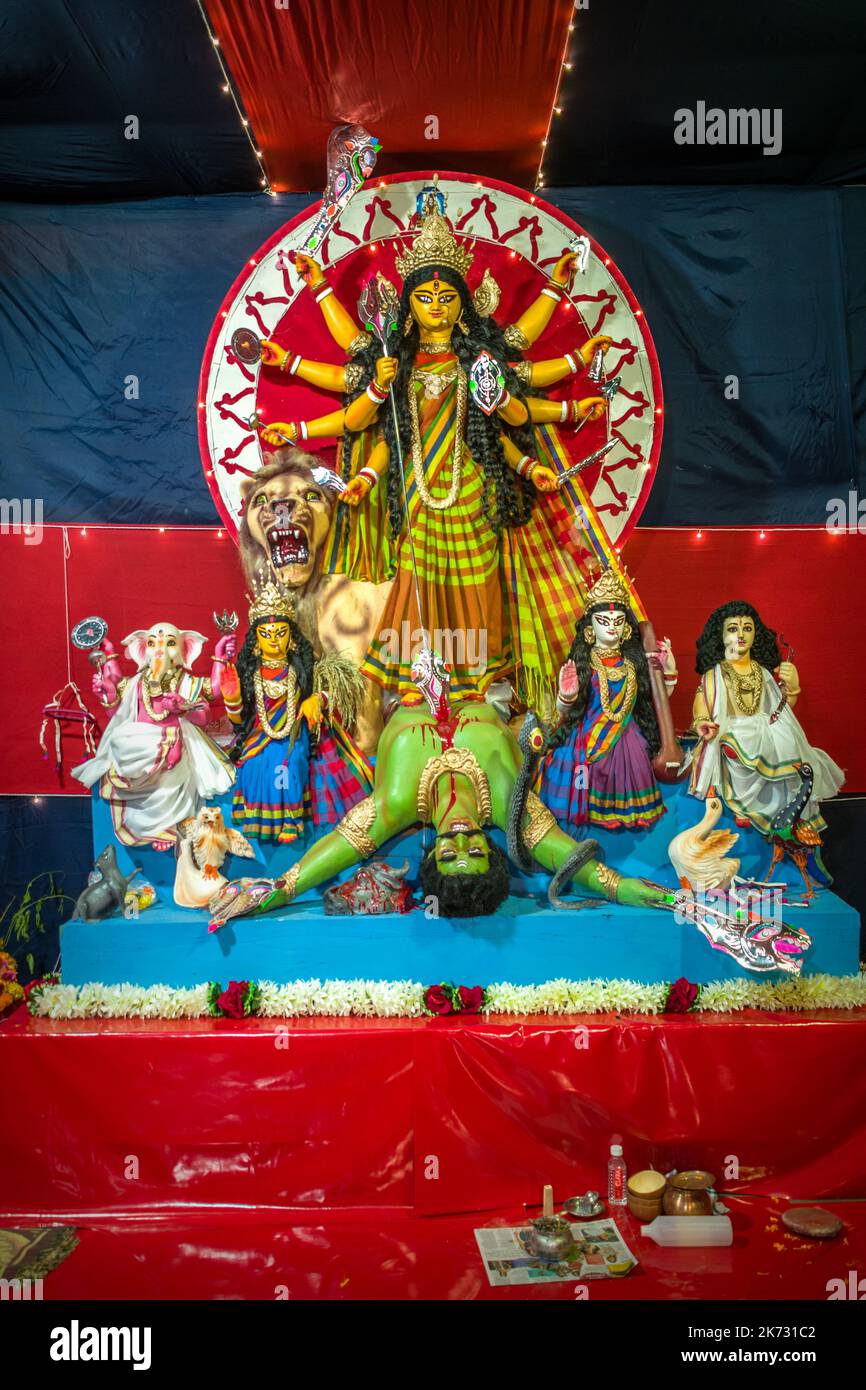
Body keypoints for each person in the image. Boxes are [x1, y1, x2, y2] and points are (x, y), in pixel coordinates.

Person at [208, 688, 672, 927]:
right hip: (483, 668)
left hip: (407, 660)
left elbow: (340, 845)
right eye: (477, 850)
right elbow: (569, 857)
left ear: (431, 853)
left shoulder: (395, 804)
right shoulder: (511, 808)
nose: (464, 838)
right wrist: (622, 887)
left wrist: (282, 888)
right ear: (493, 850)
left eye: (450, 854)